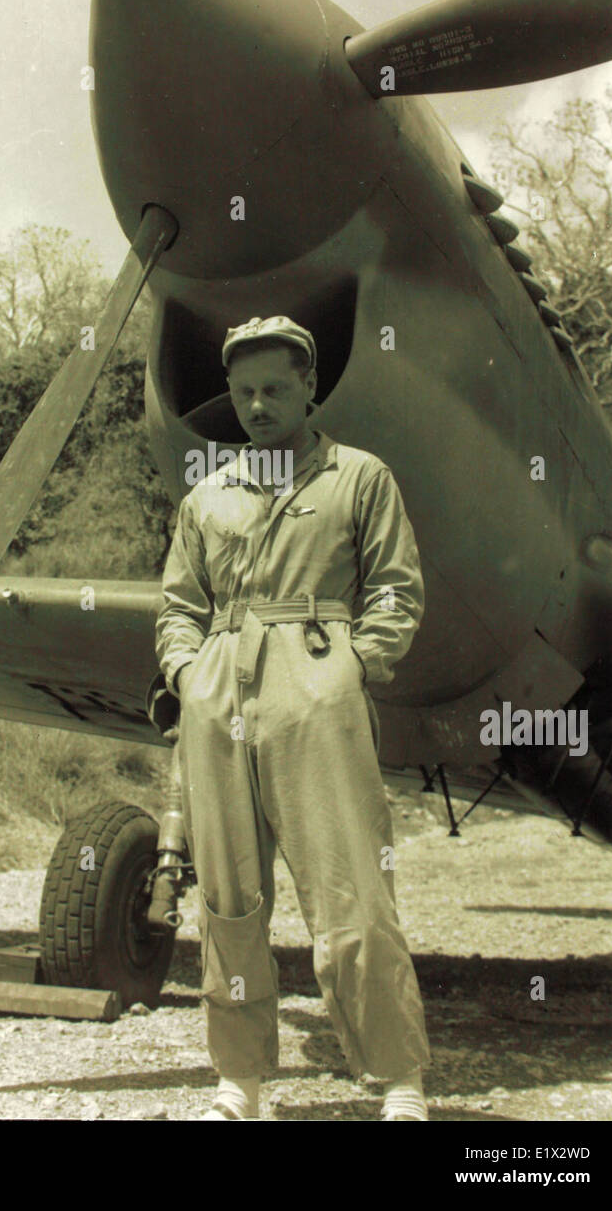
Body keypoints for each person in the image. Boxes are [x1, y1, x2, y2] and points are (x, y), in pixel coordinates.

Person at [155, 314, 431, 1121]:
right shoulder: (207, 494)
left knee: (350, 886)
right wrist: (187, 672)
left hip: (316, 686)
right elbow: (178, 604)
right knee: (231, 898)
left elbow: (395, 589)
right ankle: (242, 1080)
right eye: (243, 393)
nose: (259, 405)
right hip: (220, 691)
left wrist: (352, 664)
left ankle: (399, 1076)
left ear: (310, 386)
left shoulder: (360, 478)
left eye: (276, 388)